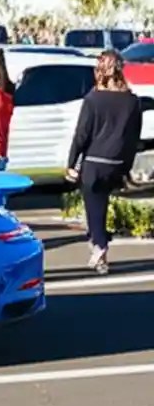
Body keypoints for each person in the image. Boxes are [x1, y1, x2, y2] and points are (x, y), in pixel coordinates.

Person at [67, 50, 143, 275]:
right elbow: (133, 138)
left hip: (94, 161)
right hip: (117, 162)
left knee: (94, 209)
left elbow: (82, 134)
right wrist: (126, 167)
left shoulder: (93, 100)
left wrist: (71, 162)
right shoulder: (132, 102)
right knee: (102, 206)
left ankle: (100, 245)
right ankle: (102, 258)